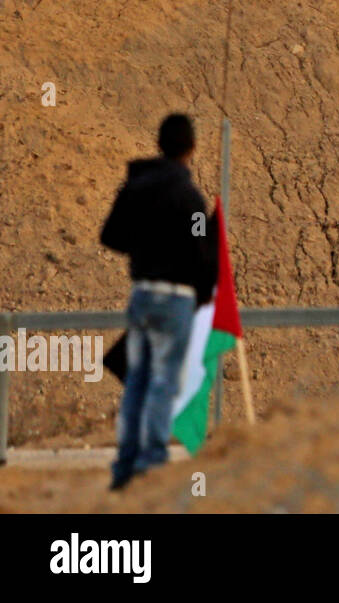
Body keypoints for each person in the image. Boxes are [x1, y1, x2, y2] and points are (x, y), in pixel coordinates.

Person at [101, 114, 217, 490]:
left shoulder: (135, 188)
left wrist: (145, 242)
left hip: (143, 294)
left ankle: (126, 464)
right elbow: (201, 249)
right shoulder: (191, 198)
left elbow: (112, 235)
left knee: (137, 379)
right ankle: (150, 464)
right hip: (176, 300)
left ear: (160, 144)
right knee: (164, 381)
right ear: (191, 148)